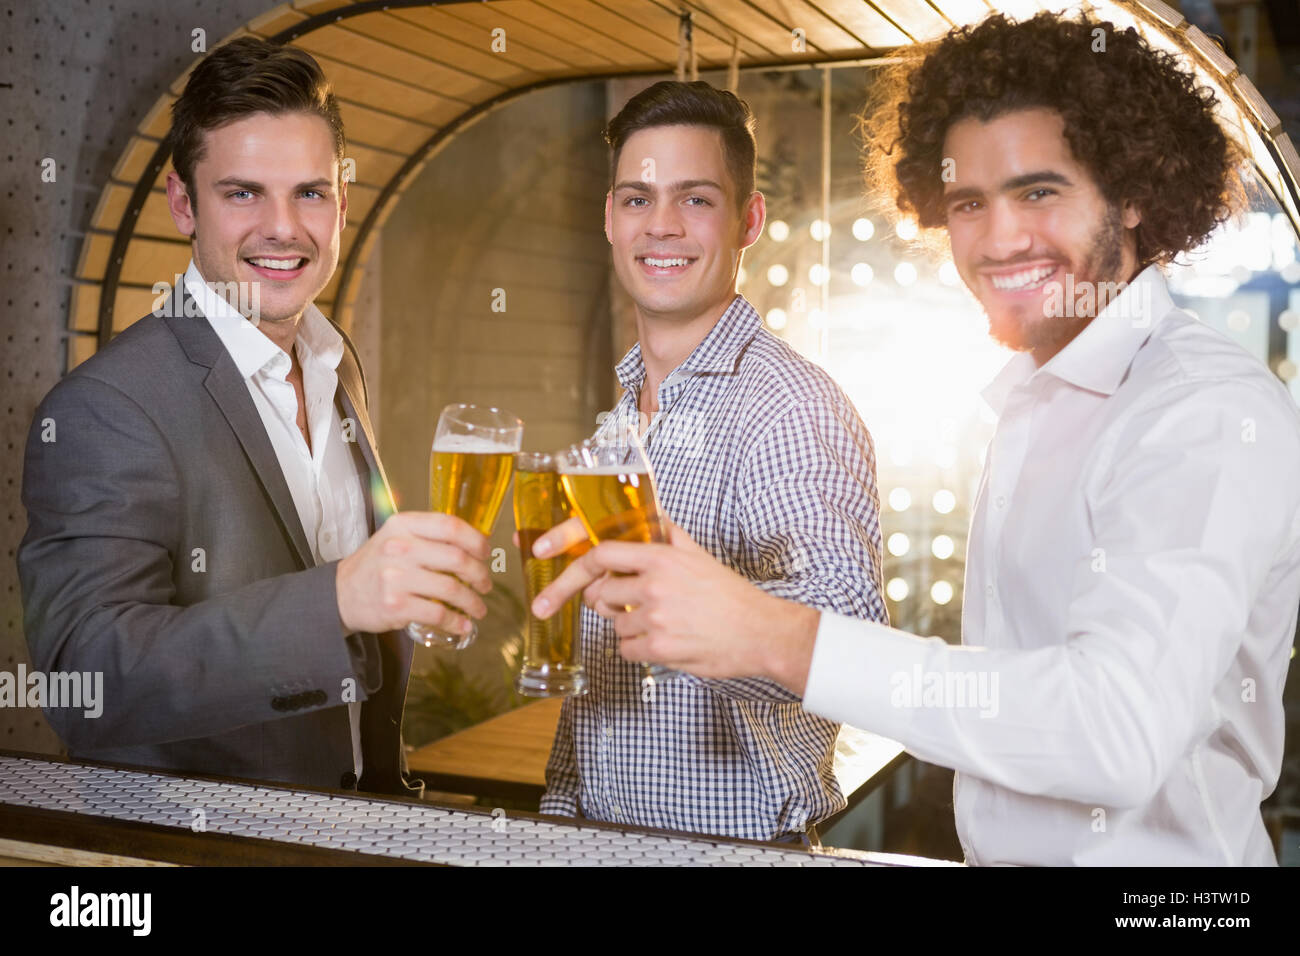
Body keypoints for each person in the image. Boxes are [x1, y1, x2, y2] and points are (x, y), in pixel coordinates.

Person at [530, 14, 1300, 864]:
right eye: (969, 202)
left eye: (1039, 191)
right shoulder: (1031, 405)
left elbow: (1113, 728)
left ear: (1135, 192)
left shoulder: (1201, 411)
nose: (1001, 237)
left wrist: (771, 634)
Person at [18, 37, 495, 796]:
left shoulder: (336, 363)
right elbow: (89, 681)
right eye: (243, 193)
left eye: (309, 192)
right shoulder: (105, 407)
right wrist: (337, 598)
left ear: (342, 202)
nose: (284, 228)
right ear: (184, 204)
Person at [534, 81, 886, 842]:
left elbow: (852, 638)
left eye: (694, 199)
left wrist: (709, 608)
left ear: (749, 219)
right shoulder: (615, 430)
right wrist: (557, 820)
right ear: (609, 218)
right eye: (636, 199)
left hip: (736, 852)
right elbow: (593, 689)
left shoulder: (789, 409)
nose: (660, 226)